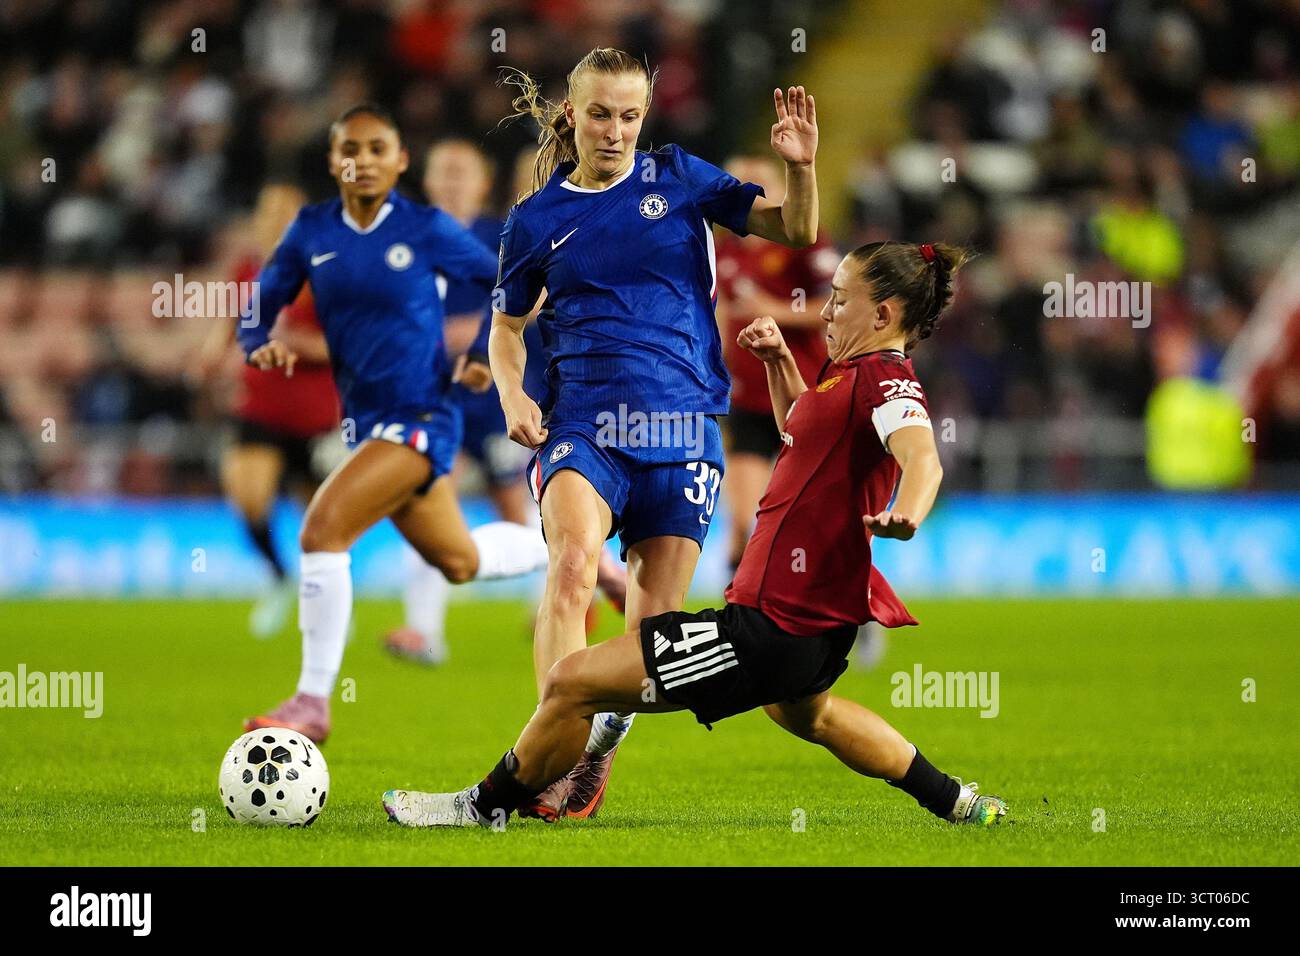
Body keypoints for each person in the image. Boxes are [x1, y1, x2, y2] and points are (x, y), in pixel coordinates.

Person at [382, 241, 1009, 830]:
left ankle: (481, 805)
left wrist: (911, 510)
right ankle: (958, 801)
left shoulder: (886, 380)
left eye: (841, 299)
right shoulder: (845, 375)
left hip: (769, 628)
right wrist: (780, 364)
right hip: (808, 631)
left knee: (571, 684)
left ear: (885, 313)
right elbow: (803, 430)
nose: (825, 310)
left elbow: (923, 455)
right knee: (810, 715)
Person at [486, 48, 820, 819]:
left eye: (630, 116)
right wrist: (512, 393)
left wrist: (800, 168)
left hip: (684, 426)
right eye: (601, 114)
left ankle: (595, 752)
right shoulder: (535, 220)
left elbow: (796, 229)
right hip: (583, 426)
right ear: (572, 115)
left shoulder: (678, 177)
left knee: (651, 639)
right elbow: (506, 330)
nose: (616, 131)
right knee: (571, 567)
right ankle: (543, 760)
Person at [237, 105, 552, 743]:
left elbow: (512, 286)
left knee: (322, 531)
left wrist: (476, 356)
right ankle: (575, 554)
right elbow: (261, 300)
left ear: (400, 161)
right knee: (459, 560)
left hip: (422, 416)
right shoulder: (310, 231)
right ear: (334, 161)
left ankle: (312, 700)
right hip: (366, 422)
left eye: (378, 147)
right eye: (350, 148)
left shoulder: (427, 228)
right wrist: (256, 341)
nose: (363, 159)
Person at [384, 139, 626, 665]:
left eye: (460, 171)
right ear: (427, 179)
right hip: (430, 397)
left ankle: (585, 577)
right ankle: (424, 631)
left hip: (499, 393)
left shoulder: (504, 232)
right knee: (426, 496)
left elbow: (534, 301)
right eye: (443, 170)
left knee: (519, 507)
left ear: (481, 182)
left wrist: (460, 335)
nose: (450, 180)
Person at [193, 183, 340, 637]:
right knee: (248, 496)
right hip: (259, 404)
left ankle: (331, 606)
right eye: (269, 212)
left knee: (321, 522)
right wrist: (211, 358)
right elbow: (233, 324)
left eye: (286, 213)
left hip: (315, 414)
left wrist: (304, 345)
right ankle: (278, 577)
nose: (277, 221)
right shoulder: (246, 271)